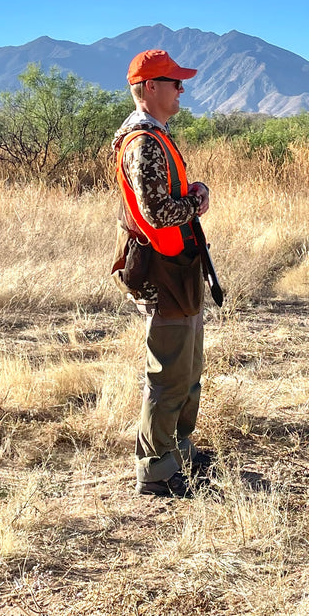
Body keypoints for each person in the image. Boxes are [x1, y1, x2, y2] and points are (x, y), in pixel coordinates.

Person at [111, 49, 213, 498]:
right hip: (164, 271)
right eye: (174, 82)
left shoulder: (154, 136)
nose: (181, 89)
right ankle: (156, 471)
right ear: (150, 87)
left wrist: (190, 195)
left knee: (187, 367)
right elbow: (158, 213)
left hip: (179, 267)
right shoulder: (144, 142)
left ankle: (180, 453)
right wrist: (198, 200)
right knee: (168, 373)